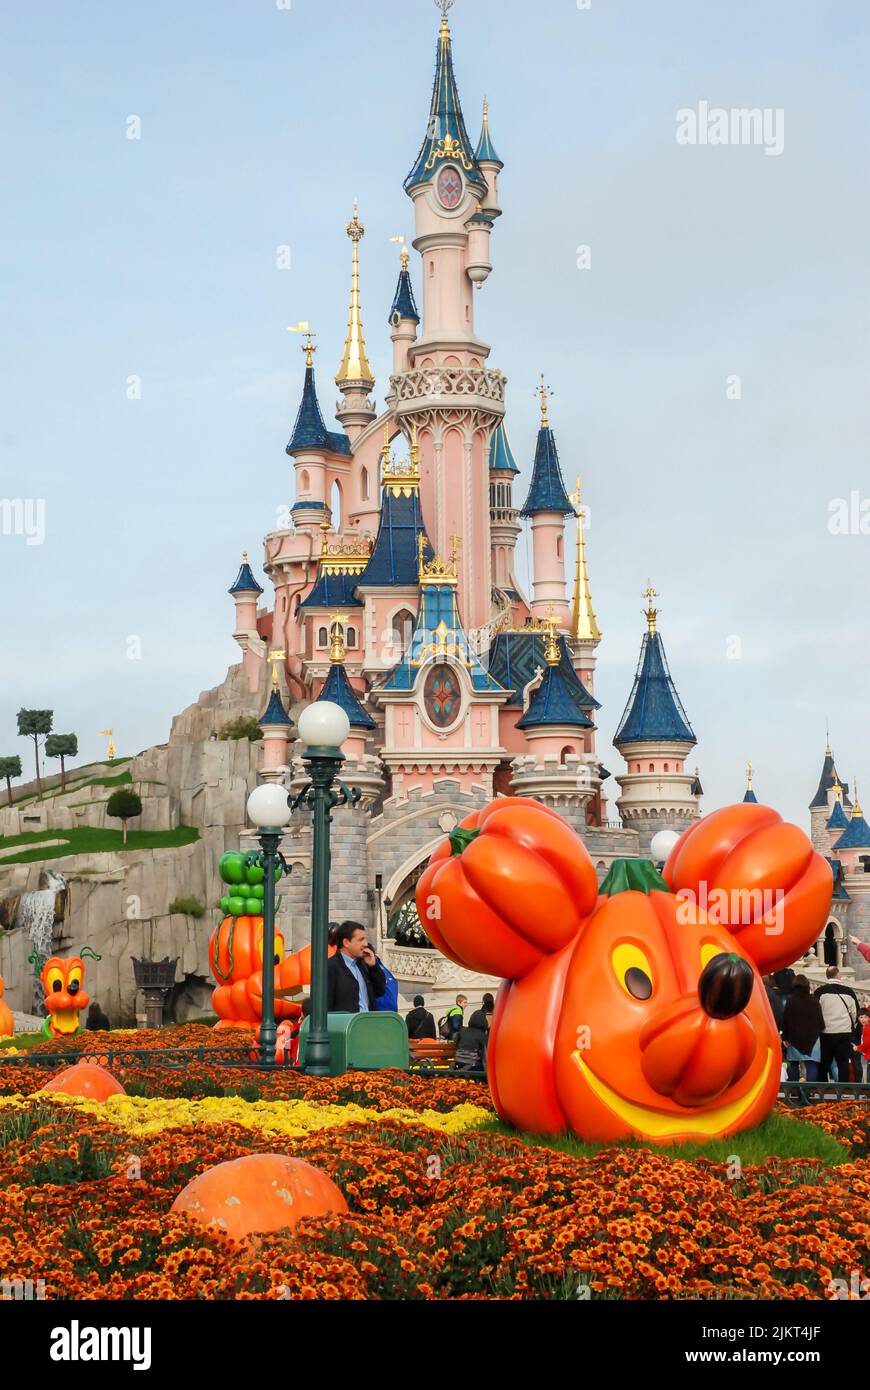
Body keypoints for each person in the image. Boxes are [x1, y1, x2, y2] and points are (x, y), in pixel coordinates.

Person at [326, 921, 387, 1013]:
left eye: (365, 939)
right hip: (346, 1026)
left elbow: (380, 991)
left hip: (369, 1023)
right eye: (361, 940)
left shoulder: (364, 963)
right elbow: (327, 1006)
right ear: (346, 942)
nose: (366, 944)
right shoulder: (330, 967)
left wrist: (373, 967)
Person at [815, 965, 859, 1083]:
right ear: (838, 975)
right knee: (843, 1063)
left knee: (824, 1063)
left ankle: (822, 1088)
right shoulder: (849, 992)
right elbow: (855, 1013)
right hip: (844, 1031)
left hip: (826, 1032)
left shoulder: (819, 992)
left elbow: (816, 1012)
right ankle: (843, 1089)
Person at [780, 975, 823, 1083]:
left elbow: (785, 1020)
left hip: (794, 1038)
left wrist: (785, 1037)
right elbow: (820, 1020)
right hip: (812, 1038)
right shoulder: (814, 1000)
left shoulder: (791, 1000)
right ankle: (809, 1091)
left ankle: (795, 1090)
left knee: (794, 1064)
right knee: (811, 1064)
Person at [856, 1008, 870, 1084]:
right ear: (858, 1018)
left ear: (869, 1018)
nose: (863, 1019)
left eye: (865, 1017)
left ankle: (868, 1091)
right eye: (861, 1017)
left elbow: (867, 1043)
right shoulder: (865, 1027)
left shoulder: (867, 1028)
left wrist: (858, 1047)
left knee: (869, 1072)